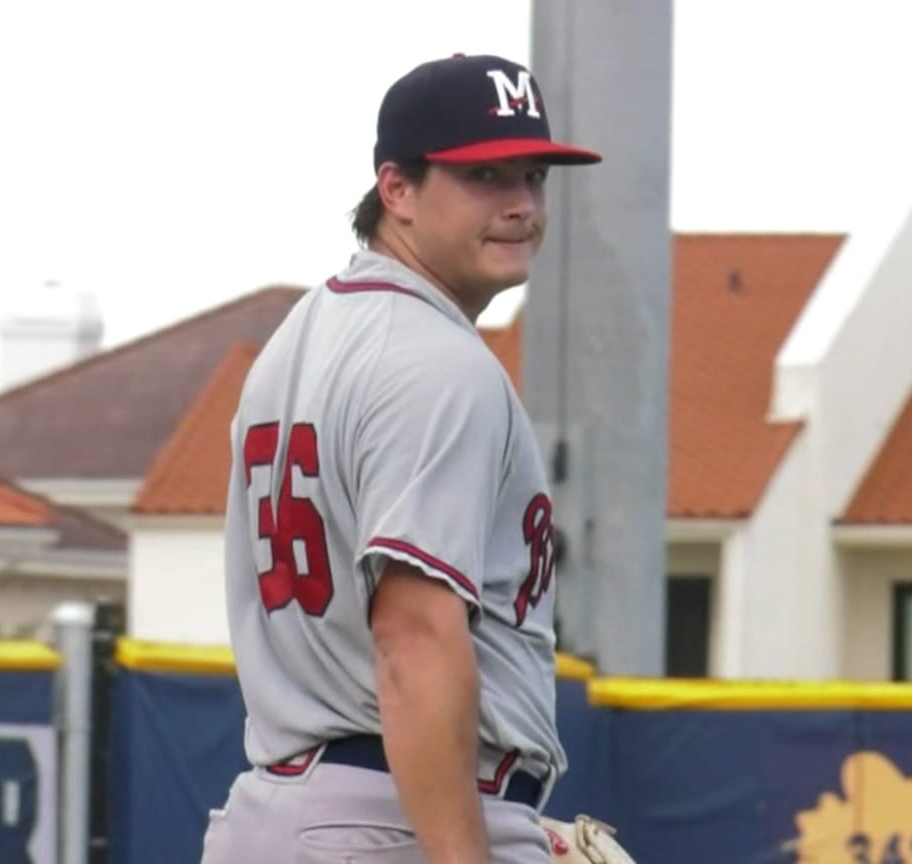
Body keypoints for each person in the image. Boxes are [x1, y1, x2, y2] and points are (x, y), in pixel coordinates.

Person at [201, 51, 603, 864]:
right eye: (485, 175)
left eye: (533, 177)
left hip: (284, 814)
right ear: (397, 190)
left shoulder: (302, 339)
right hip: (395, 820)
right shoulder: (436, 363)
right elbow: (414, 635)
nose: (521, 204)